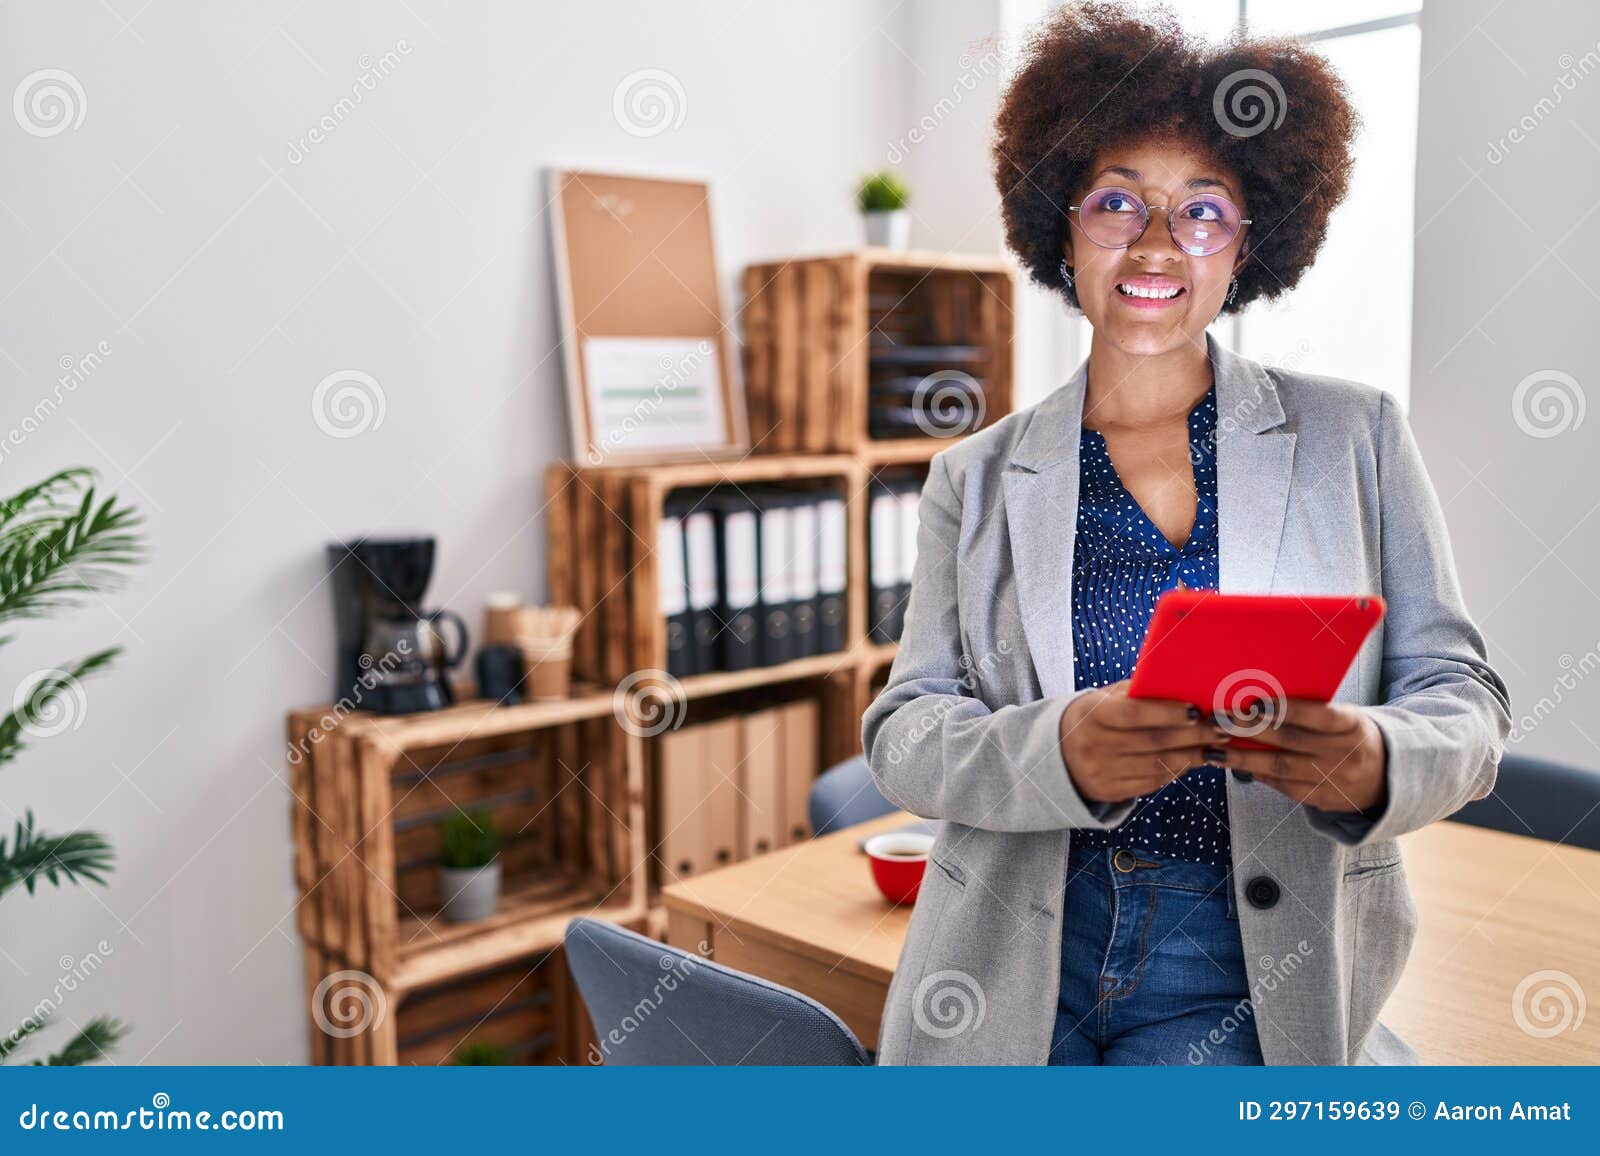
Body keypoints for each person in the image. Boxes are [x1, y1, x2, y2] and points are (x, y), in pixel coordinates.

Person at [862, 1, 1511, 1066]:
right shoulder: (971, 479)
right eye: (1117, 202)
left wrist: (1374, 755)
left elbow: (1465, 700)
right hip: (1018, 958)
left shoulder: (1356, 437)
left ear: (1247, 244)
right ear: (1061, 224)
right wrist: (1056, 747)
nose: (1158, 243)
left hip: (1244, 963)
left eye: (1202, 212)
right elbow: (904, 731)